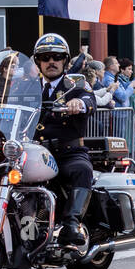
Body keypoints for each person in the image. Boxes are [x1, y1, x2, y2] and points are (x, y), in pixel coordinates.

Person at [32, 34, 96, 246]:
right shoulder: (28, 88)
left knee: (81, 170)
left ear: (66, 61)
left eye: (57, 57)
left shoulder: (75, 84)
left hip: (67, 152)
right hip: (34, 153)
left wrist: (79, 102)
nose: (51, 62)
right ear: (37, 61)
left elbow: (89, 99)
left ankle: (72, 223)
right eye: (46, 57)